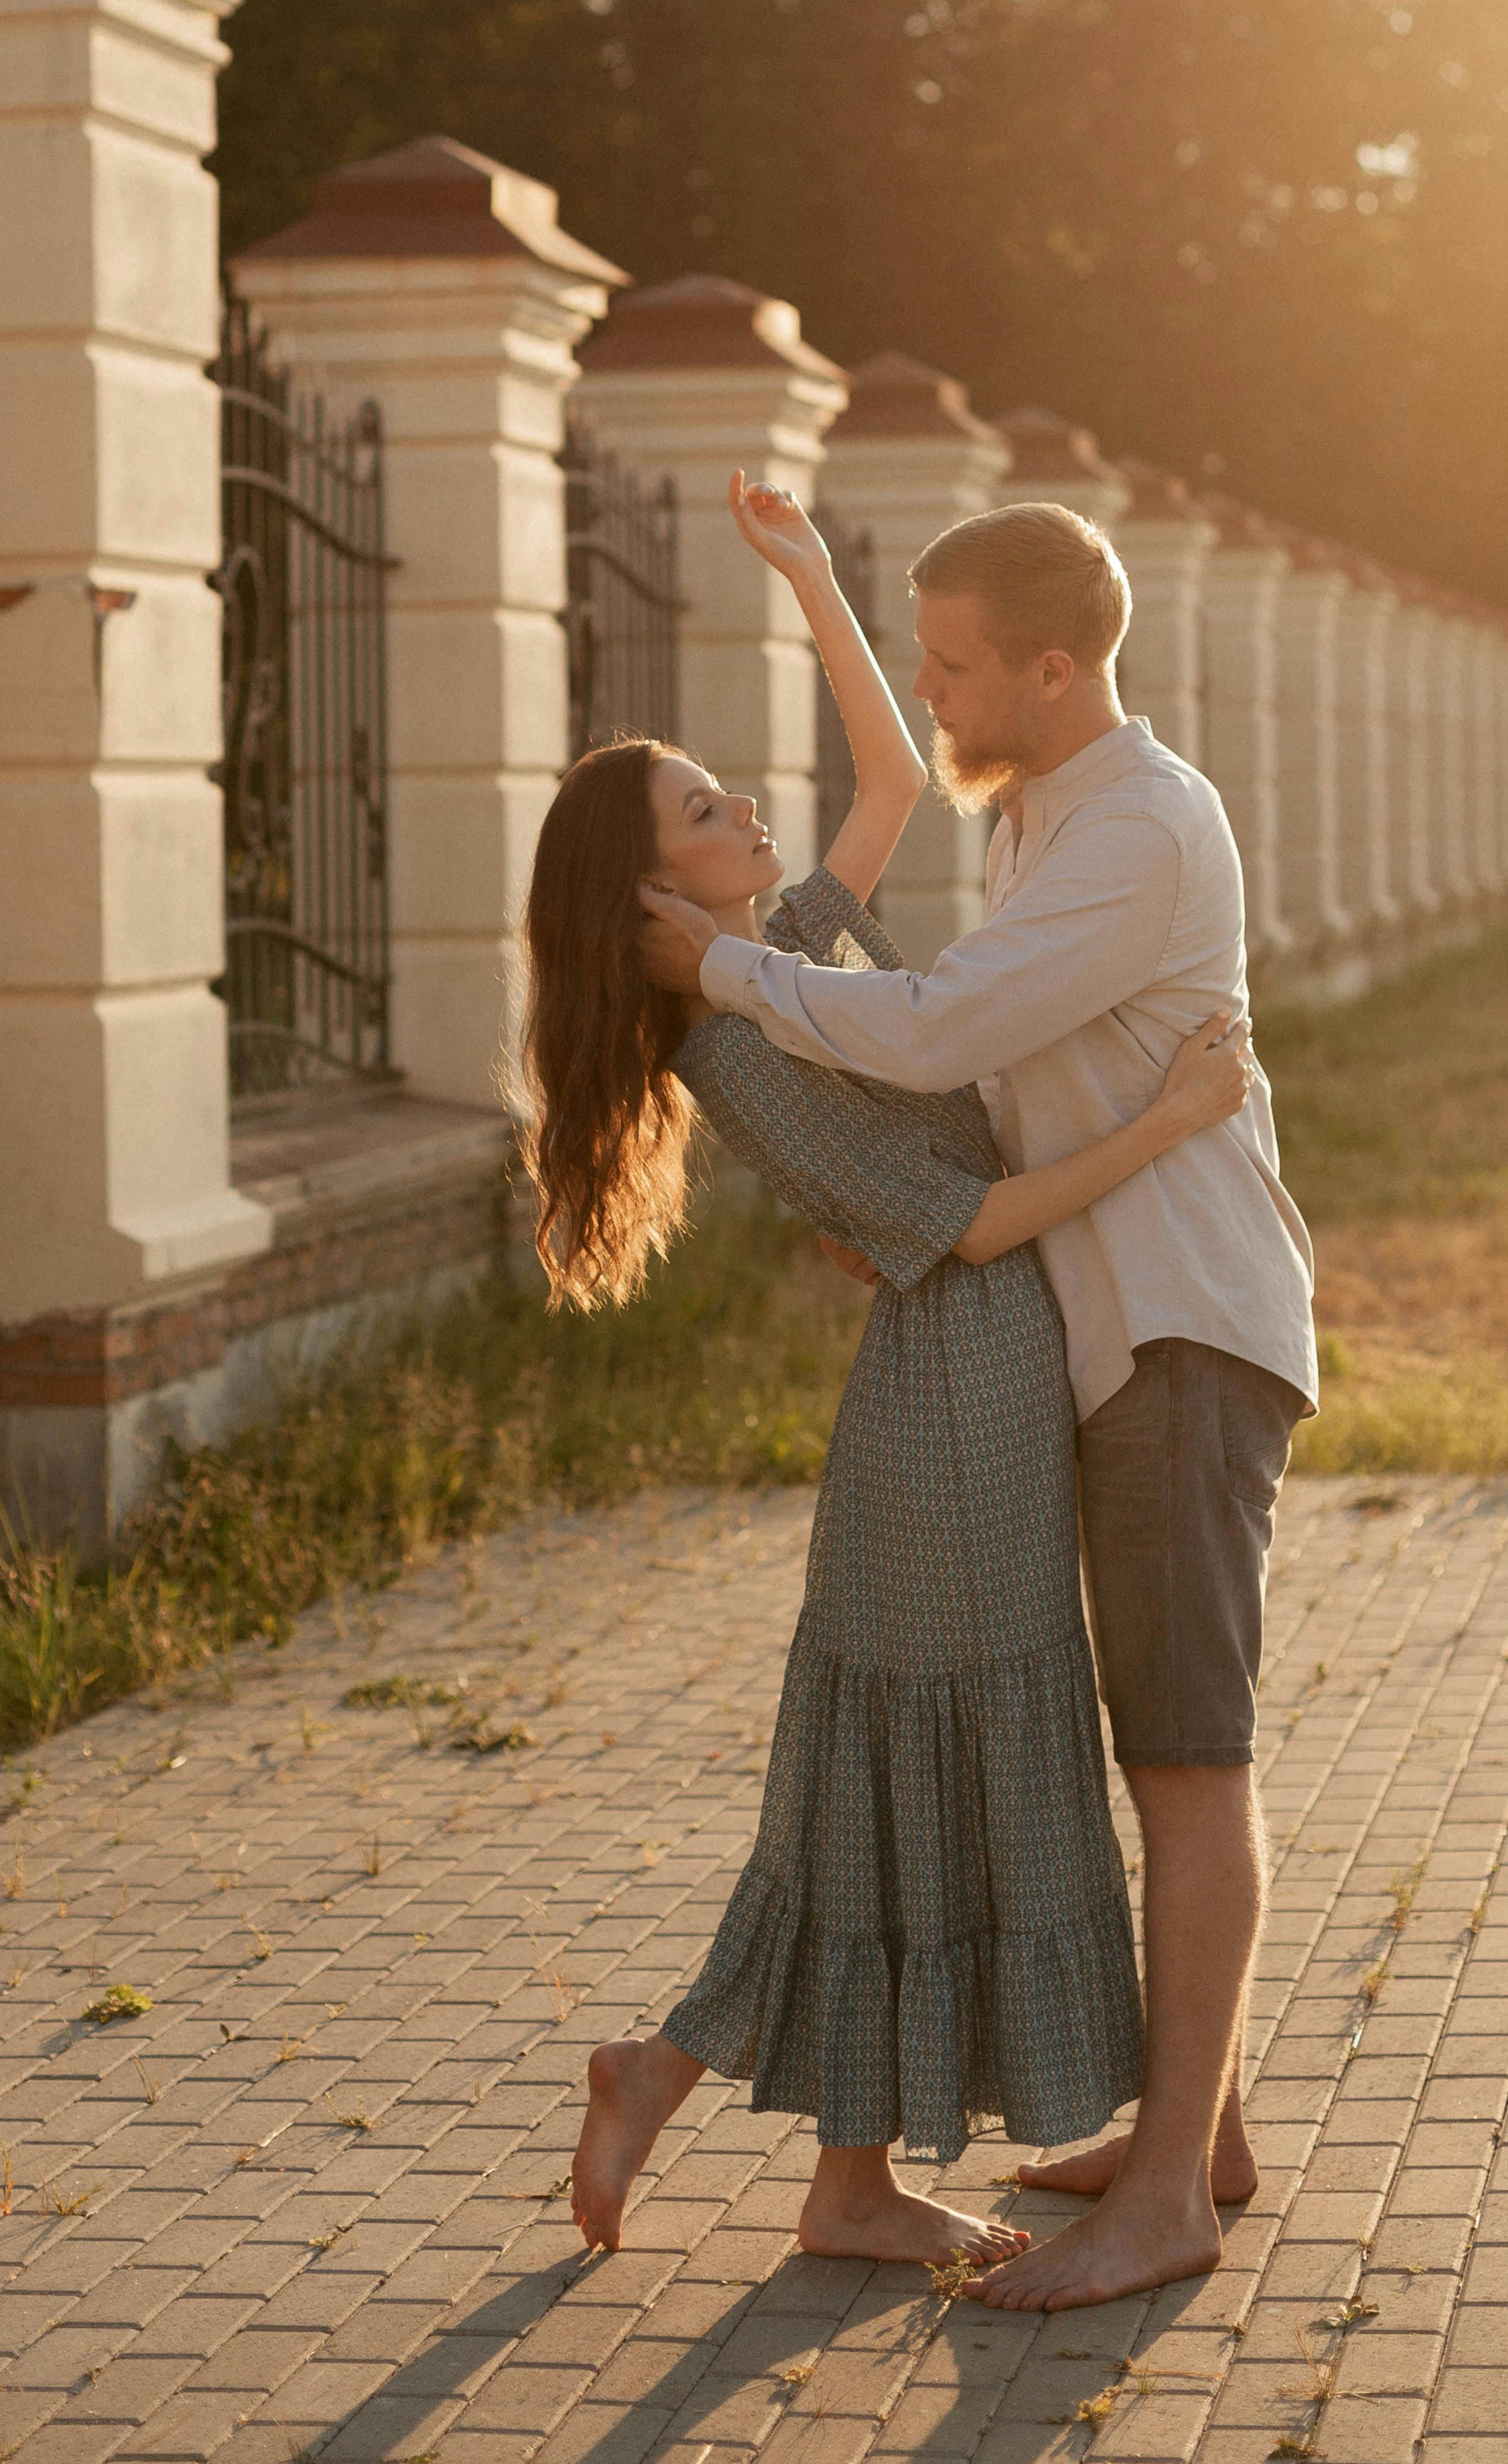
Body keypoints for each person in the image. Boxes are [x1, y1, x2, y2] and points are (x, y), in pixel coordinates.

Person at [528, 474, 1258, 2274]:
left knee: (925, 1776)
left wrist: (808, 580)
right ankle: (736, 2107)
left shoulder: (784, 960)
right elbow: (972, 1211)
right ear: (654, 902)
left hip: (1024, 1370)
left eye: (719, 791)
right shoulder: (747, 1029)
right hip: (959, 1403)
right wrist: (1173, 1118)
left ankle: (862, 2166)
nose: (745, 808)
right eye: (704, 811)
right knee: (910, 1776)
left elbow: (888, 786)